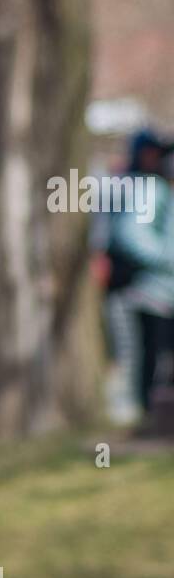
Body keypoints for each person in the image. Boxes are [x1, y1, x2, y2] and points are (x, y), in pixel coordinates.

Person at [106, 129, 174, 425]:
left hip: (162, 291)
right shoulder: (150, 188)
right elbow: (130, 234)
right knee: (151, 361)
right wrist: (166, 258)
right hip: (153, 292)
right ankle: (149, 420)